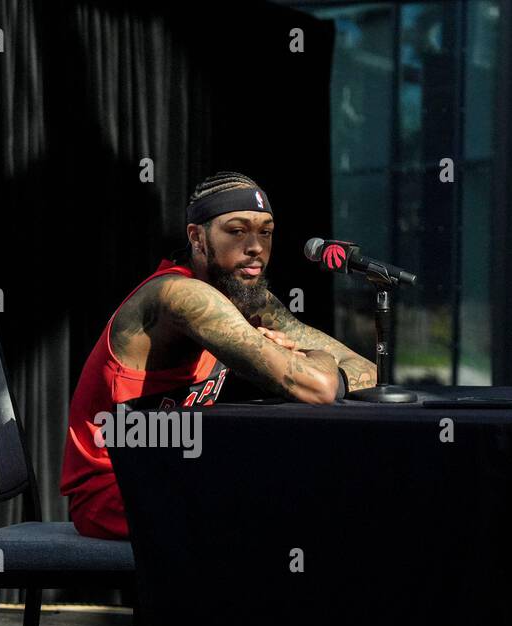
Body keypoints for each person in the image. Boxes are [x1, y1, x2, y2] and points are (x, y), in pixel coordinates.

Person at [60, 170, 378, 539]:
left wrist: (315, 365)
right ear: (197, 237)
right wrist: (311, 356)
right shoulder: (183, 296)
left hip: (175, 474)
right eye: (237, 231)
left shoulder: (248, 300)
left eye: (266, 231)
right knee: (275, 511)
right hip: (115, 491)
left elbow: (370, 370)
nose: (256, 246)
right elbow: (320, 386)